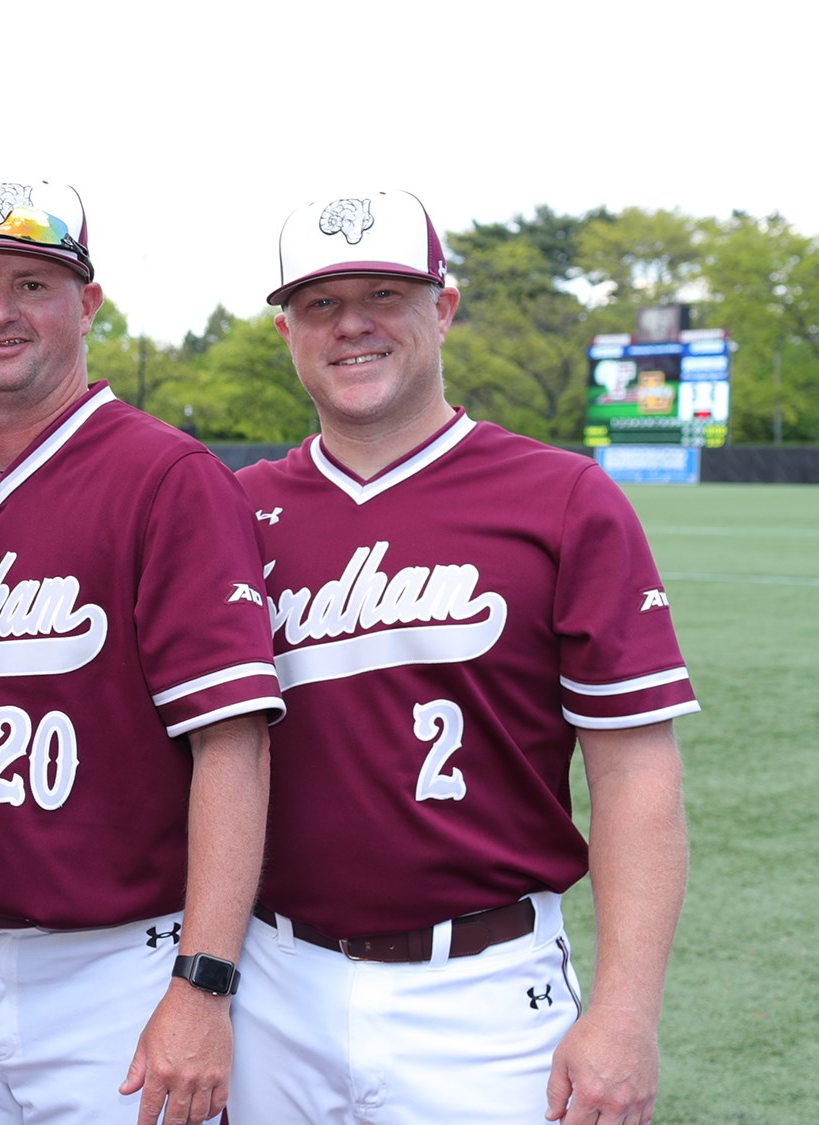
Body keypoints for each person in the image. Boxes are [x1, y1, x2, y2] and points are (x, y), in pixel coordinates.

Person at [229, 190, 698, 1124]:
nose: (352, 325)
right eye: (321, 303)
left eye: (384, 295)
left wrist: (626, 1011)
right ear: (287, 329)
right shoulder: (231, 509)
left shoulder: (563, 497)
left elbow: (638, 772)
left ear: (442, 307)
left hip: (484, 996)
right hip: (270, 985)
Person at [0, 179, 281, 1125]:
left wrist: (203, 982)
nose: (0, 311)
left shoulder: (167, 476)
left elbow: (235, 746)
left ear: (88, 303)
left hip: (117, 964)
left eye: (33, 283)